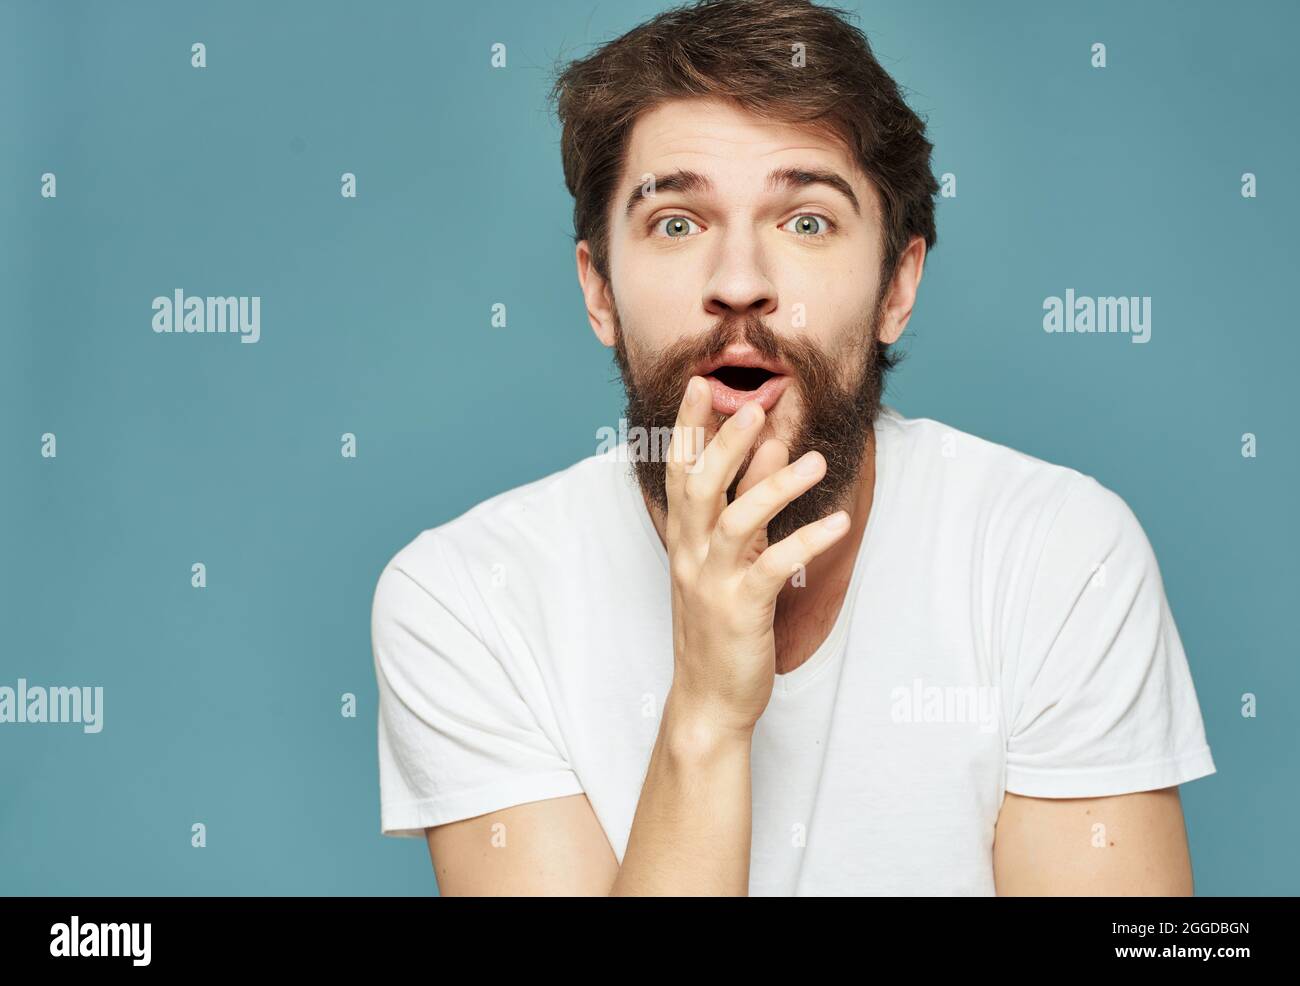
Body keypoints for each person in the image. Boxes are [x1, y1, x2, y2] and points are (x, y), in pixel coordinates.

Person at [370, 0, 1216, 895]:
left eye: (806, 221)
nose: (740, 284)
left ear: (897, 285)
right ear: (601, 292)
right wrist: (706, 712)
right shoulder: (465, 600)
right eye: (677, 223)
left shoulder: (1060, 556)